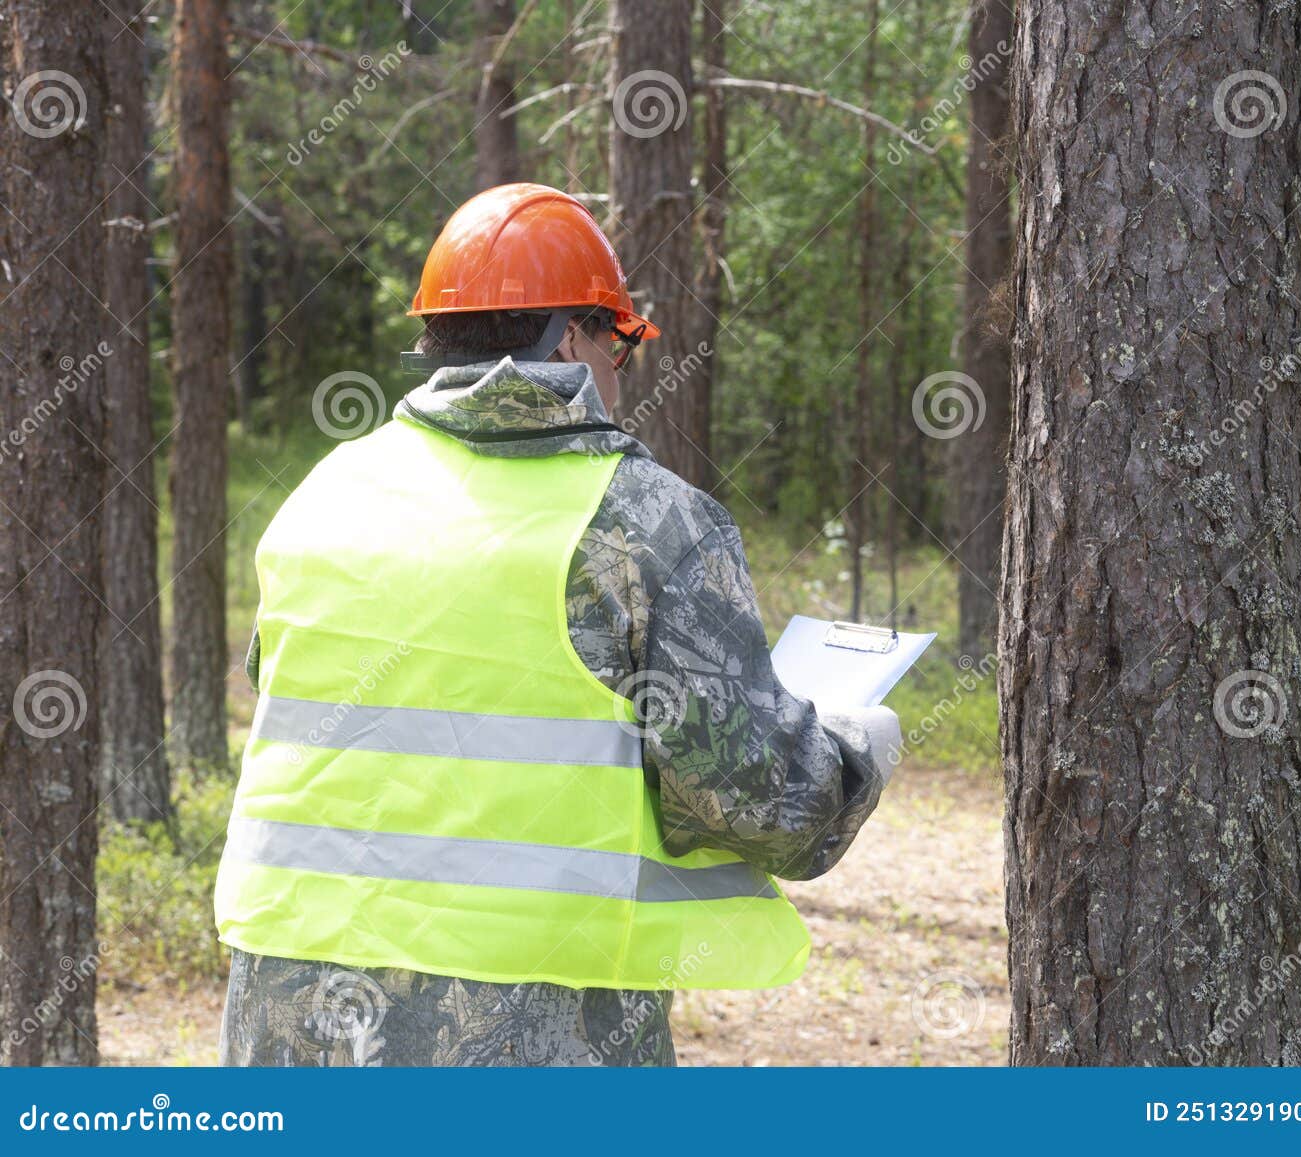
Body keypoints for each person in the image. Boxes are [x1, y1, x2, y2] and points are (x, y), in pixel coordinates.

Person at [214, 183, 901, 1066]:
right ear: (573, 338)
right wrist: (856, 744)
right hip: (528, 1033)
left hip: (284, 1023)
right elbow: (764, 803)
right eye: (620, 341)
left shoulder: (327, 492)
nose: (622, 368)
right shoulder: (647, 522)